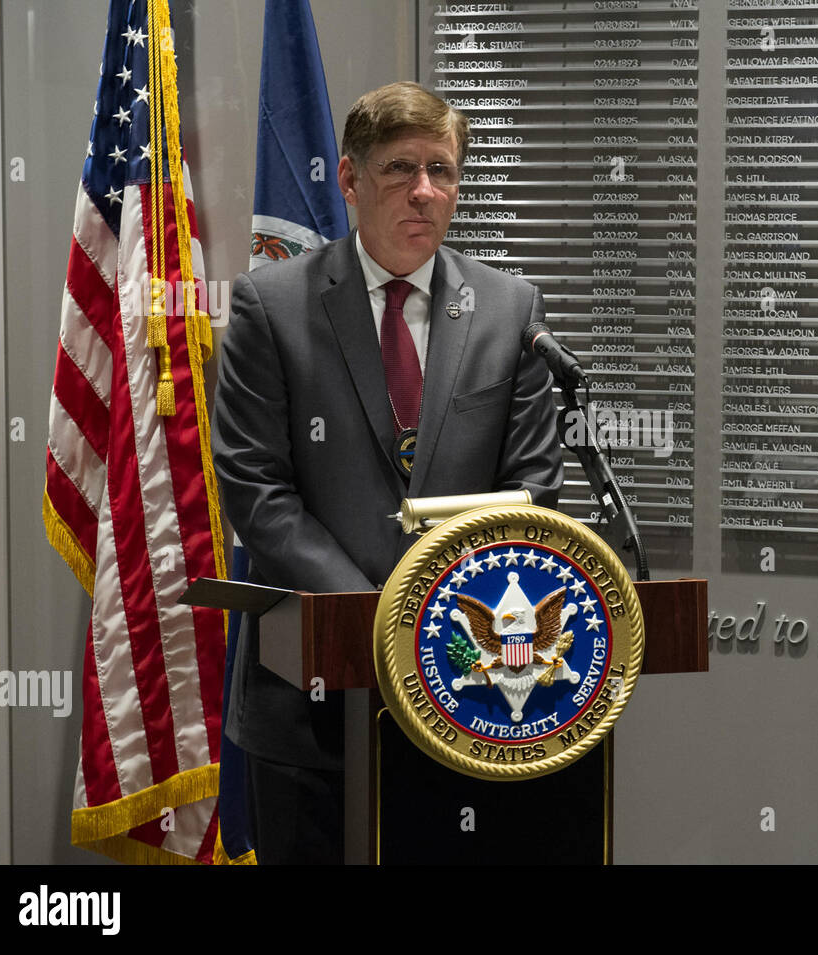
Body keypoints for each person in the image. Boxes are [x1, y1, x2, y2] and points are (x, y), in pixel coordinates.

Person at [211, 82, 563, 863]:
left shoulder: (512, 311)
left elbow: (533, 488)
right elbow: (257, 493)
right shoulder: (272, 307)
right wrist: (386, 615)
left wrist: (439, 617)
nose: (425, 192)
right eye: (402, 168)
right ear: (349, 179)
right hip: (306, 701)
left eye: (443, 170)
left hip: (466, 695)